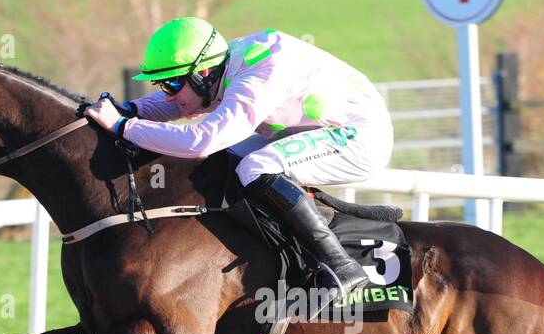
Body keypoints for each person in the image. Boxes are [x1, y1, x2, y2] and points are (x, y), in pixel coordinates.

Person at [83, 17, 394, 302]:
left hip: (361, 134)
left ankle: (340, 265)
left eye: (171, 84)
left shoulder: (258, 75)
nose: (167, 94)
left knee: (255, 166)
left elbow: (201, 140)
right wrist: (129, 109)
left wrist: (124, 126)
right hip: (305, 128)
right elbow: (177, 106)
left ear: (203, 74)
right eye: (161, 85)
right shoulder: (219, 67)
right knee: (227, 160)